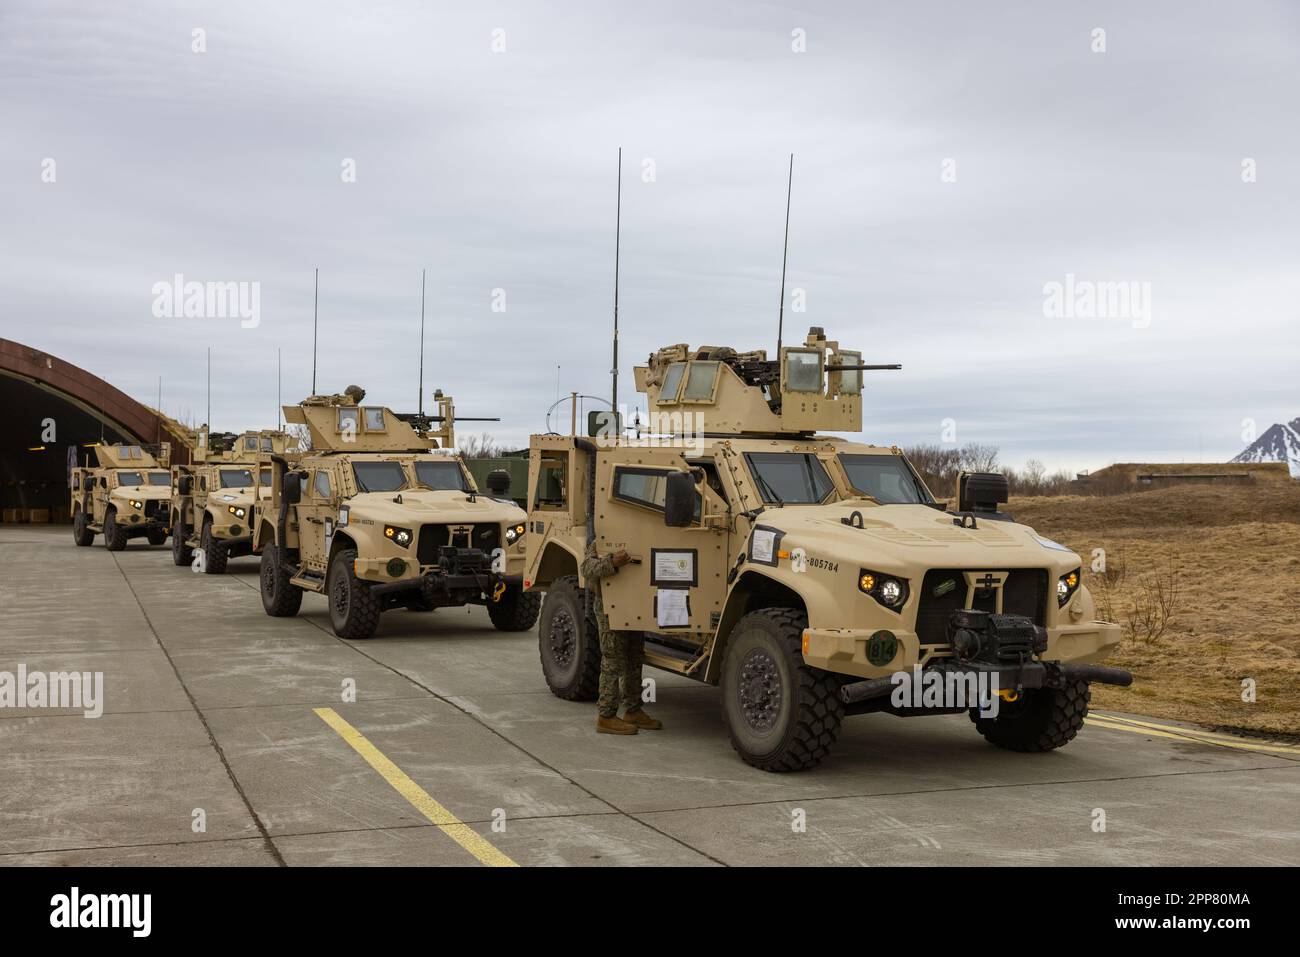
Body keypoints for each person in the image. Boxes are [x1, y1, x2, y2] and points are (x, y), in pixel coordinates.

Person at [581, 539, 663, 735]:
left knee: (634, 657)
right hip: (610, 605)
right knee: (613, 659)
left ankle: (633, 710)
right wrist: (612, 562)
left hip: (635, 603)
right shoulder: (604, 535)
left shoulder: (643, 534)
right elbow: (586, 568)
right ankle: (606, 716)